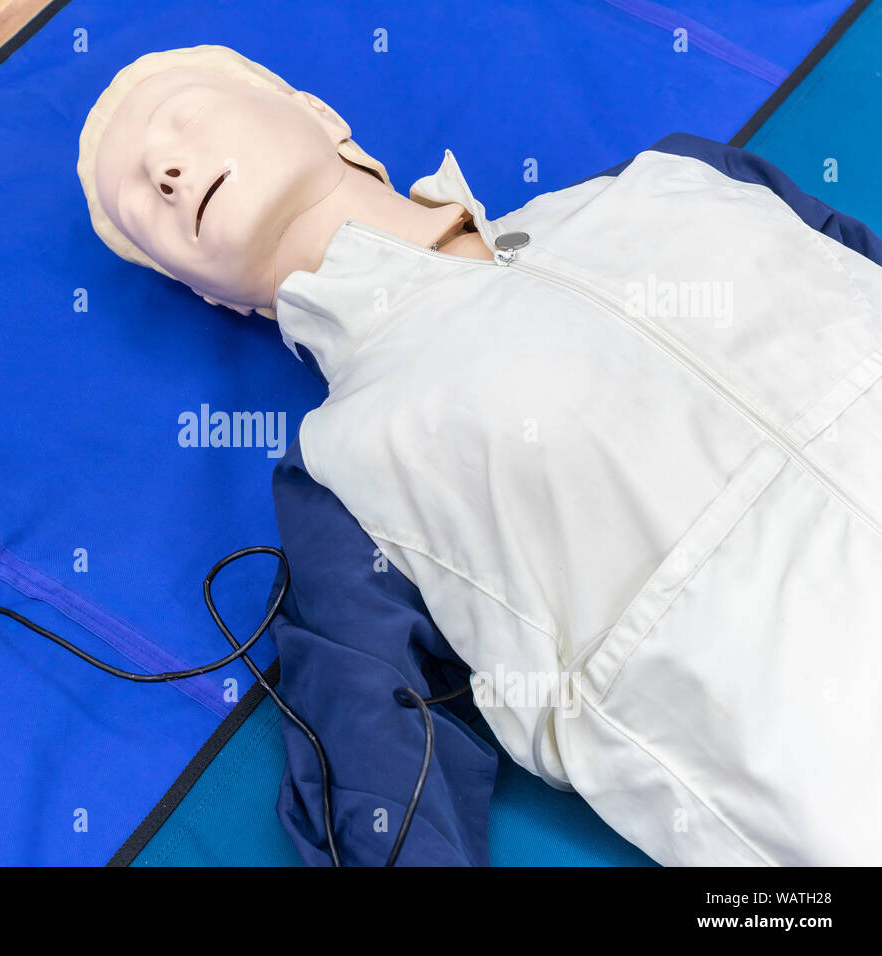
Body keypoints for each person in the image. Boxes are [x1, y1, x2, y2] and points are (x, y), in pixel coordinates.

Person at [79, 45, 882, 866]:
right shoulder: (343, 471)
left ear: (320, 115)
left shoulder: (676, 178)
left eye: (180, 118)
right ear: (210, 293)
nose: (167, 170)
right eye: (143, 198)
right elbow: (382, 789)